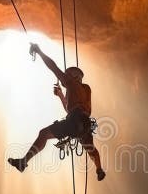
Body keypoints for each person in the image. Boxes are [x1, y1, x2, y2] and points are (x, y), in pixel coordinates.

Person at [8, 43, 106, 181]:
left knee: (44, 134)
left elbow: (53, 68)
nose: (65, 75)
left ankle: (23, 162)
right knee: (91, 149)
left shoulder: (72, 83)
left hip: (74, 121)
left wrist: (39, 50)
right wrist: (61, 95)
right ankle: (99, 169)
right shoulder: (84, 89)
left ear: (75, 75)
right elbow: (71, 109)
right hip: (84, 124)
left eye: (68, 73)